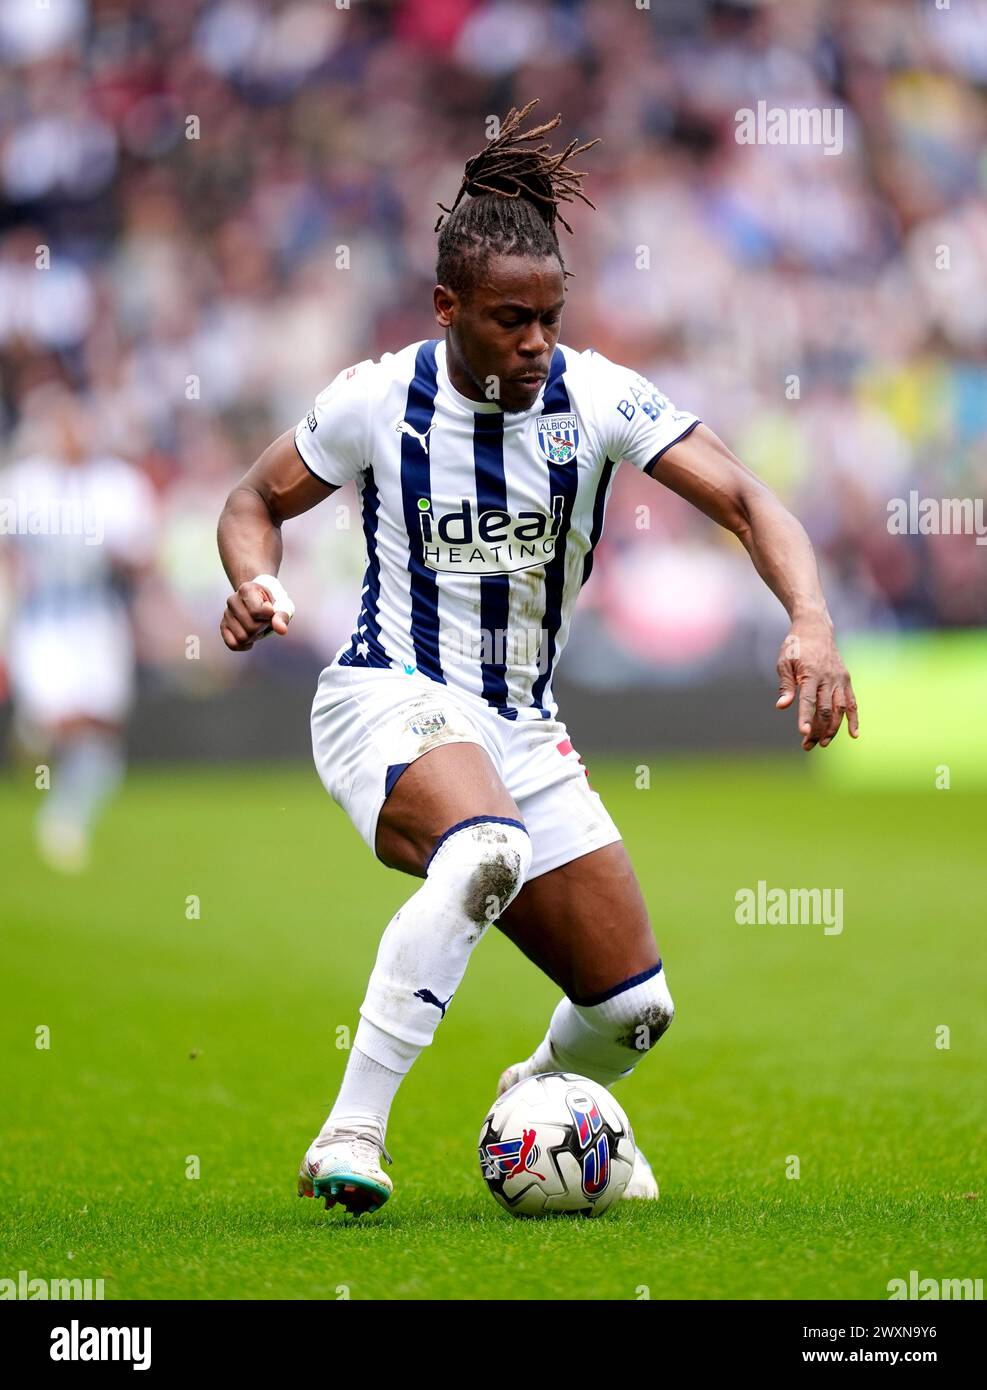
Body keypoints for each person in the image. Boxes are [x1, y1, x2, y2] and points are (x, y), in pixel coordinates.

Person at [217, 101, 858, 1216]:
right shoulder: (380, 398)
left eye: (551, 318)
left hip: (520, 720)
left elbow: (752, 499)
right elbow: (251, 500)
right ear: (446, 306)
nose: (535, 343)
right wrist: (254, 577)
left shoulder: (597, 397)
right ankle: (350, 1131)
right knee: (483, 852)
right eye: (511, 319)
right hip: (388, 692)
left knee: (635, 1011)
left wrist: (810, 618)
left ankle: (544, 1103)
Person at [2, 387, 157, 872]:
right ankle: (34, 730)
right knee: (63, 717)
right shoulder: (26, 483)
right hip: (44, 616)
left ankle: (65, 817)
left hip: (96, 614)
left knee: (103, 726)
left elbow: (142, 555)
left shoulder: (118, 485)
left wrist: (124, 556)